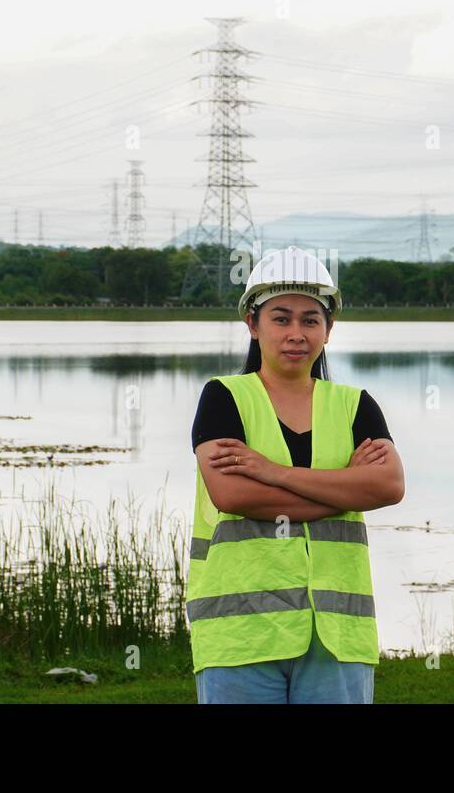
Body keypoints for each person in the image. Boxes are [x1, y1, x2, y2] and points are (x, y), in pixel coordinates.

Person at [186, 246, 405, 703]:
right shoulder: (224, 398)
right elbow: (231, 495)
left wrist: (271, 472)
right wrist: (347, 488)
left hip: (336, 635)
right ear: (253, 324)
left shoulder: (353, 405)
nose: (296, 333)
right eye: (280, 318)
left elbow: (388, 486)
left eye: (310, 320)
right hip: (241, 633)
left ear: (328, 329)